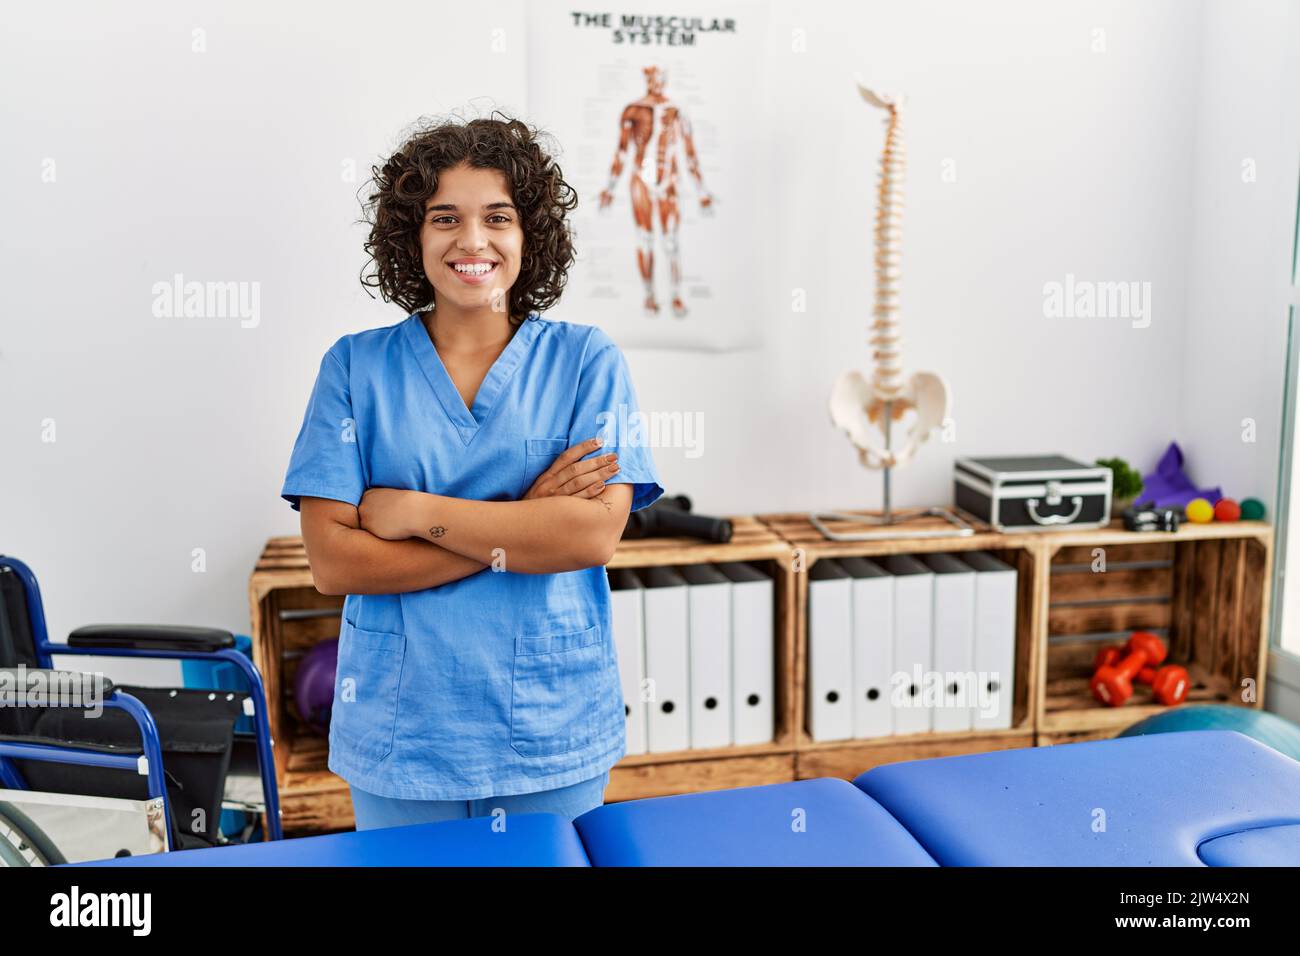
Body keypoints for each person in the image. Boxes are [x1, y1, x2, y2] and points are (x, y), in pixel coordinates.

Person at [280, 113, 664, 830]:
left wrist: (415, 512)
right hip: (404, 733)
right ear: (412, 236)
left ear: (530, 235)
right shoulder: (355, 368)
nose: (472, 240)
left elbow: (587, 539)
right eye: (444, 218)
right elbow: (333, 561)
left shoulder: (586, 361)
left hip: (548, 731)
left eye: (498, 217)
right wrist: (523, 521)